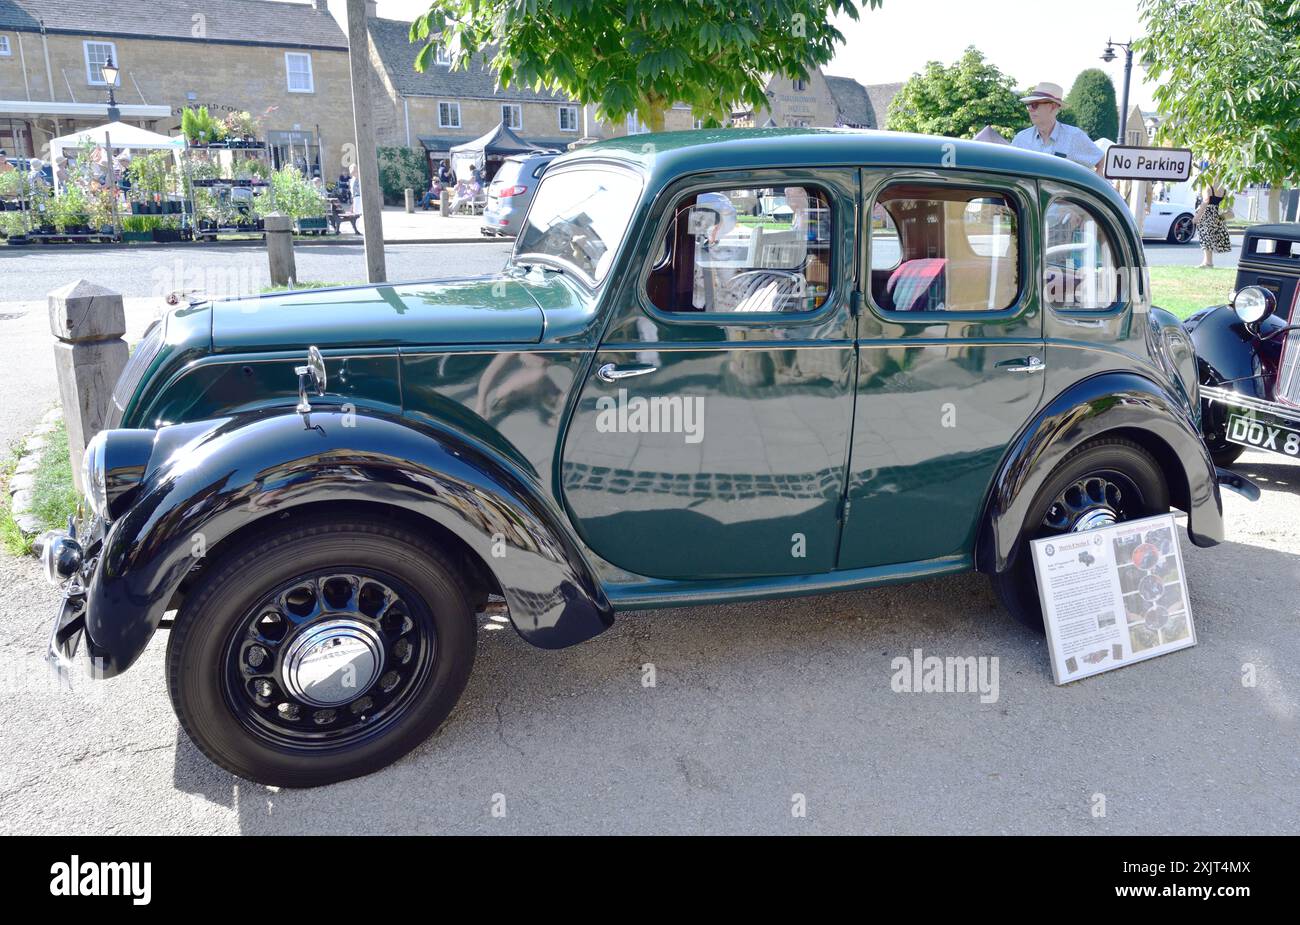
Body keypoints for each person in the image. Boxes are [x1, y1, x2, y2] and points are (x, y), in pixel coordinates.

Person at [1012, 82, 1104, 173]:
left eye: (1034, 105)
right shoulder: (1021, 139)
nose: (1030, 110)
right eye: (1028, 105)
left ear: (1052, 106)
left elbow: (1101, 160)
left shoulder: (1074, 136)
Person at [1194, 172, 1232, 268]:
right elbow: (1226, 204)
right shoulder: (1223, 188)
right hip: (1217, 214)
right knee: (1209, 237)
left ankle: (1208, 262)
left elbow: (1205, 202)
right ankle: (1206, 261)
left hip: (1207, 214)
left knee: (1205, 237)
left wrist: (1196, 217)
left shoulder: (1208, 187)